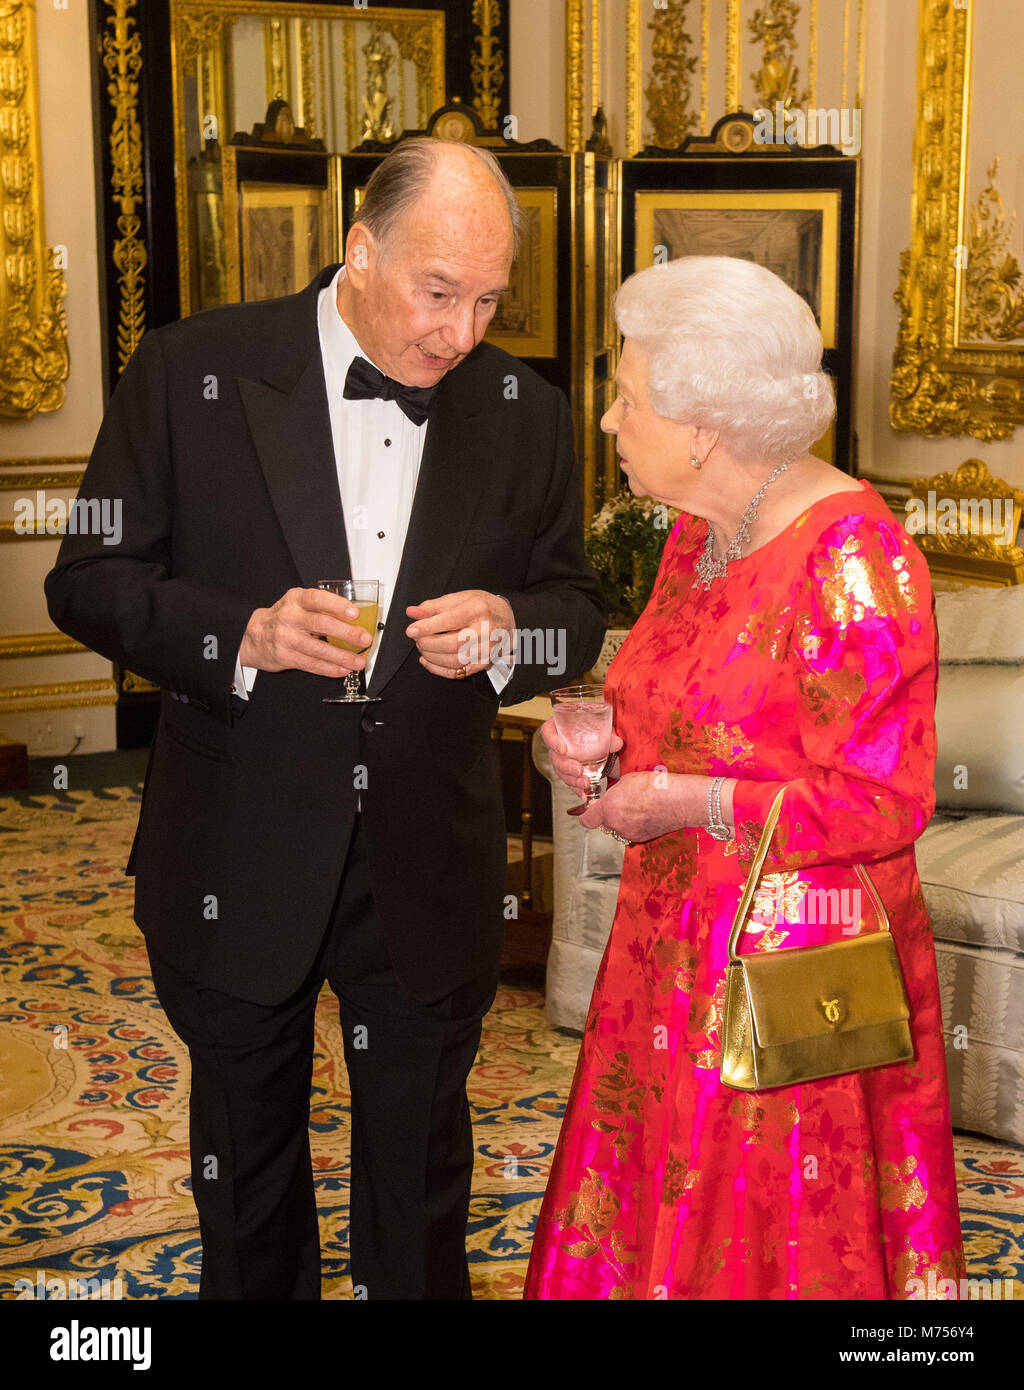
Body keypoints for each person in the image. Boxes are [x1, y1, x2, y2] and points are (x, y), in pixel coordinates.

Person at [45, 137, 605, 1300]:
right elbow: (87, 575)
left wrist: (510, 628)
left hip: (429, 853)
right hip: (240, 845)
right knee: (242, 1175)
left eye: (489, 299)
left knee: (418, 1180)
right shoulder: (186, 367)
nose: (459, 333)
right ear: (360, 247)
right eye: (437, 291)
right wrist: (237, 637)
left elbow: (574, 614)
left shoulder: (525, 409)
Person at [524, 256, 966, 1300]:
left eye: (625, 399)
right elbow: (702, 717)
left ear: (700, 426)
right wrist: (607, 735)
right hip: (669, 946)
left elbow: (882, 801)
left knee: (771, 1238)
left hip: (791, 971)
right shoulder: (700, 531)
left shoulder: (854, 555)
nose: (608, 422)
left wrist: (688, 801)